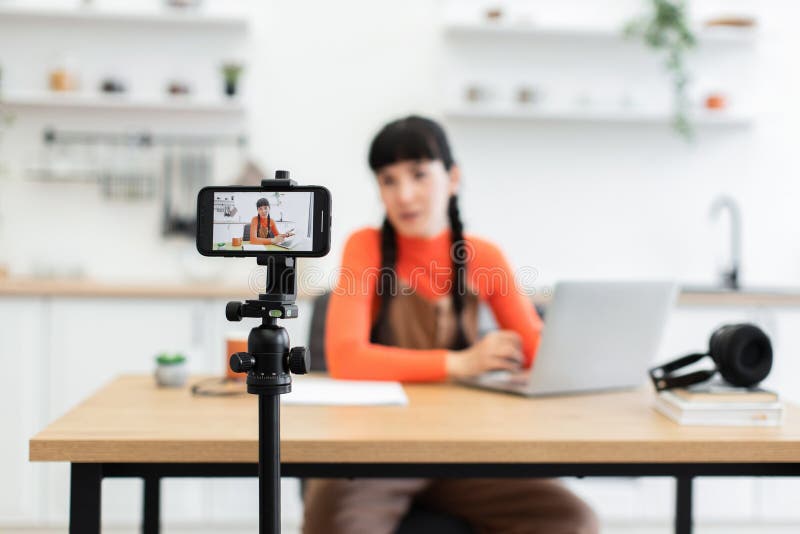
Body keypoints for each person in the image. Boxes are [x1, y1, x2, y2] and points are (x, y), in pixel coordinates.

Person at [302, 116, 599, 534]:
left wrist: (585, 349)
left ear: (453, 177)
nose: (404, 194)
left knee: (571, 520)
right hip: (373, 452)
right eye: (388, 180)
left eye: (419, 175)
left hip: (463, 450)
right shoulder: (365, 246)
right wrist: (459, 363)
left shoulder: (483, 257)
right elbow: (347, 359)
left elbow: (539, 352)